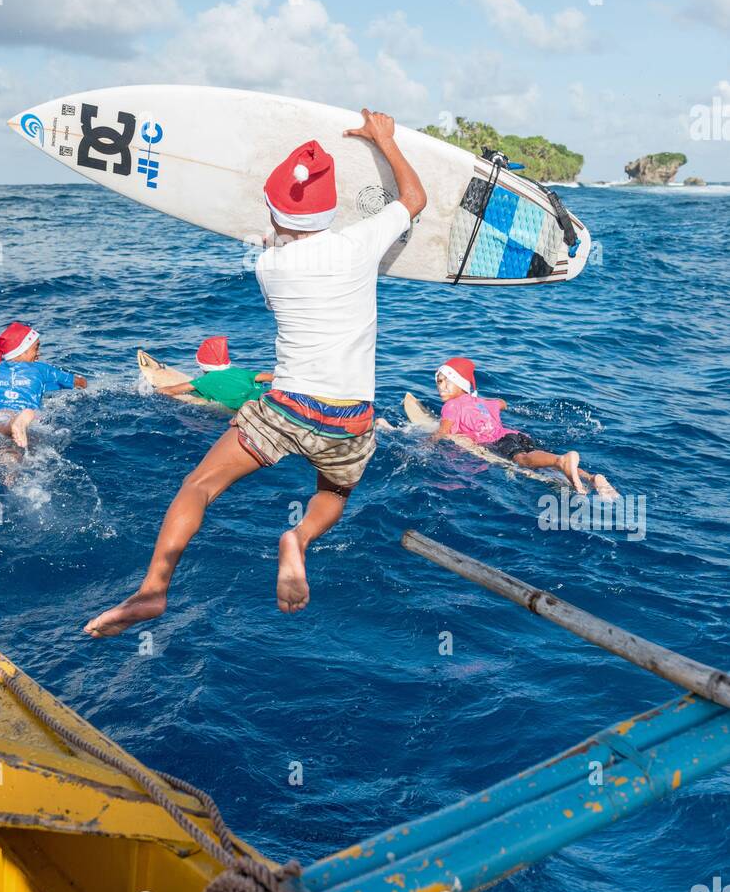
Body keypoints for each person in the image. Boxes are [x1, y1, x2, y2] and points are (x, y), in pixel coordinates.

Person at [84, 108, 426, 635]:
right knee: (333, 493)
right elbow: (414, 200)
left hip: (286, 406)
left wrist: (278, 236)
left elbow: (284, 244)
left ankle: (153, 591)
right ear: (330, 211)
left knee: (197, 486)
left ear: (274, 215)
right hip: (351, 417)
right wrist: (384, 141)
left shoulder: (270, 267)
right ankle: (299, 539)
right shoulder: (359, 244)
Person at [430, 357, 618, 496]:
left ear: (460, 383)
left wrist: (427, 443)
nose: (441, 387)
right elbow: (502, 403)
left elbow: (443, 431)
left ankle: (561, 461)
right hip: (517, 435)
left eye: (444, 381)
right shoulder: (484, 403)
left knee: (522, 459)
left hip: (499, 442)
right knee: (540, 457)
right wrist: (478, 399)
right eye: (438, 382)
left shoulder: (450, 406)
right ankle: (591, 478)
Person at [154, 336, 273, 411]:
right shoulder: (241, 372)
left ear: (203, 365)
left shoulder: (204, 381)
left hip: (247, 407)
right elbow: (272, 377)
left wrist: (154, 391)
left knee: (201, 403)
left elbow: (170, 391)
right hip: (267, 396)